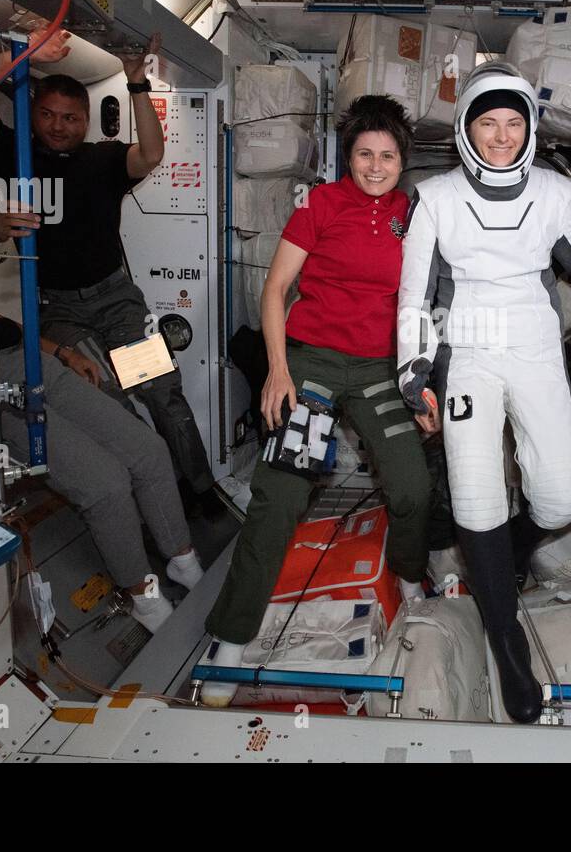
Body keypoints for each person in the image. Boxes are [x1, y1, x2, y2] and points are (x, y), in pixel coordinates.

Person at [199, 96, 434, 707]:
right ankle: (229, 639)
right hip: (313, 362)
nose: (376, 166)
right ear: (347, 157)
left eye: (387, 155)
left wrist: (424, 381)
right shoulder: (321, 205)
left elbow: (432, 303)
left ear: (402, 160)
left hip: (382, 370)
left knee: (412, 489)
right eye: (364, 154)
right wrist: (278, 370)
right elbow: (276, 290)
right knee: (279, 496)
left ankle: (409, 577)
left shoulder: (416, 214)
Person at [397, 62, 571, 724]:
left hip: (536, 347)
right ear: (466, 130)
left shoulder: (557, 192)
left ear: (530, 127)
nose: (501, 137)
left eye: (513, 123)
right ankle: (506, 641)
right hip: (469, 354)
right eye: (488, 123)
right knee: (477, 499)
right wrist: (415, 373)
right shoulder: (437, 197)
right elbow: (415, 293)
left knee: (563, 496)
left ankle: (504, 559)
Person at [0, 31, 223, 517]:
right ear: (34, 114)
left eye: (70, 118)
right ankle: (149, 497)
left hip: (115, 302)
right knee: (109, 398)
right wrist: (22, 56)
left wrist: (136, 83)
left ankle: (199, 490)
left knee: (162, 393)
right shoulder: (13, 152)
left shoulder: (103, 160)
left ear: (85, 120)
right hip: (59, 310)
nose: (57, 126)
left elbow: (151, 155)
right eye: (47, 114)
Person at [0, 313, 203, 633]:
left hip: (32, 361)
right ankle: (144, 600)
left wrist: (64, 354)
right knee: (106, 486)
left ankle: (182, 561)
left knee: (150, 452)